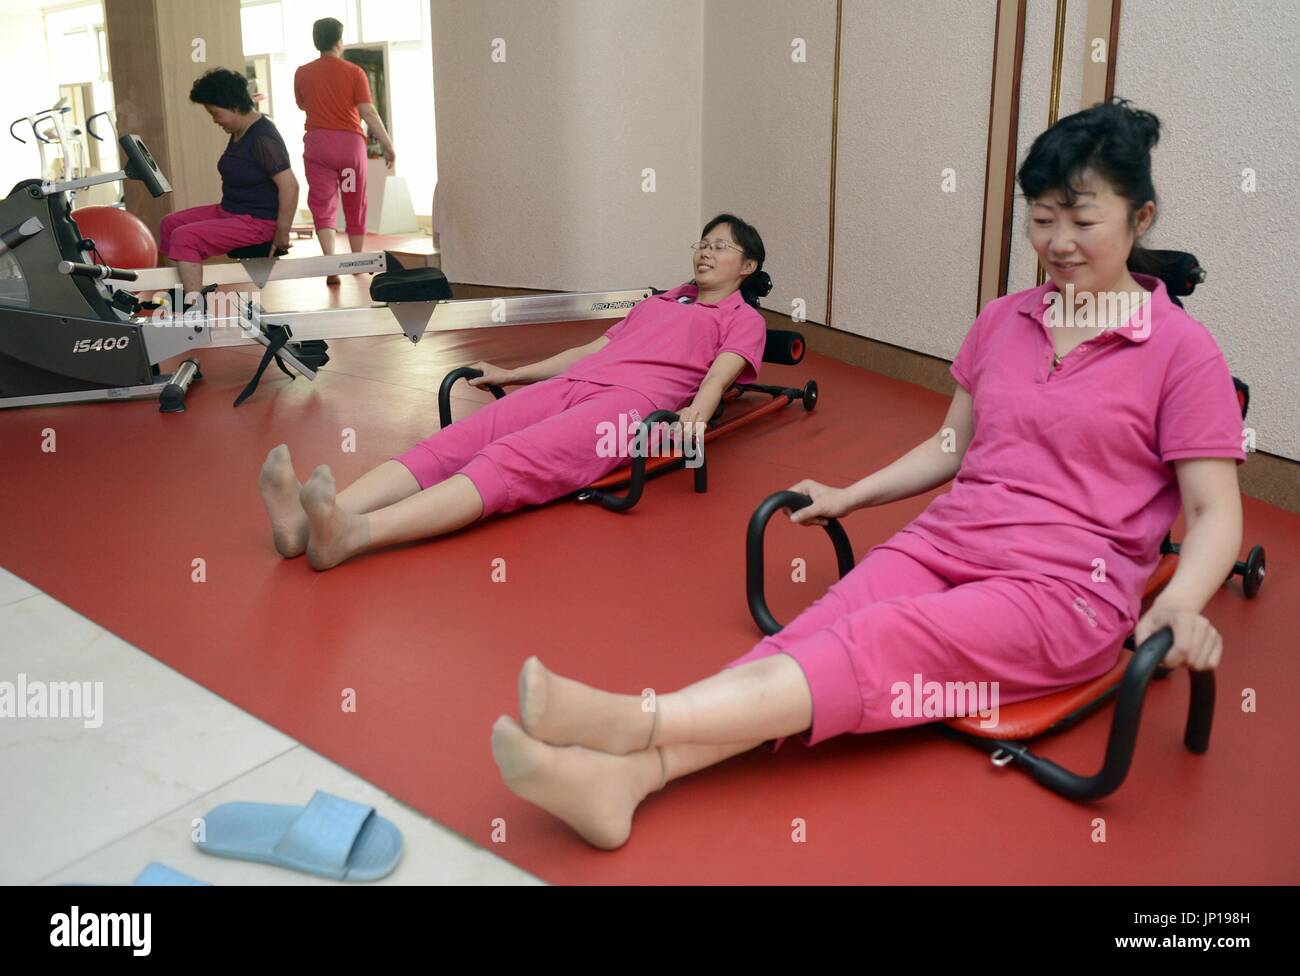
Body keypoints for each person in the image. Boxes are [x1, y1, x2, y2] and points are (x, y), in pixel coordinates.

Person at [489, 99, 1247, 850]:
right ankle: (627, 780)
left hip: (1062, 592)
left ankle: (637, 722)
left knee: (882, 638)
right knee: (820, 626)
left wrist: (1180, 603)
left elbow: (1214, 514)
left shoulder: (1182, 353)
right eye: (1041, 218)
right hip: (948, 542)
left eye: (1083, 221)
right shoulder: (1004, 319)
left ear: (1140, 219)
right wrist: (849, 495)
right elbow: (952, 446)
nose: (1058, 241)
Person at [258, 213, 772, 570]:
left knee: (508, 457)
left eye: (719, 246)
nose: (705, 252)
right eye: (702, 243)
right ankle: (305, 526)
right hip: (577, 383)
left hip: (631, 407)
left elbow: (717, 378)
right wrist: (513, 373)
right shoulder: (660, 301)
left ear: (747, 267)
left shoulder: (742, 318)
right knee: (456, 441)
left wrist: (696, 417)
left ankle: (354, 535)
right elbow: (589, 349)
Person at [158, 69, 298, 311]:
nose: (214, 120)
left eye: (215, 113)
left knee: (185, 237)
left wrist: (282, 233)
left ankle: (193, 309)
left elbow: (290, 186)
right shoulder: (238, 131)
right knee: (169, 224)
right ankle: (182, 291)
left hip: (257, 223)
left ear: (233, 106)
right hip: (231, 211)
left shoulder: (263, 138)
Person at [294, 17, 396, 284]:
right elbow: (368, 112)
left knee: (322, 203)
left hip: (318, 147)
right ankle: (356, 262)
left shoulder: (302, 72)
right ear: (339, 42)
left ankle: (330, 264)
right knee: (353, 200)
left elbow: (302, 105)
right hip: (349, 147)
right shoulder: (354, 72)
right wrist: (387, 145)